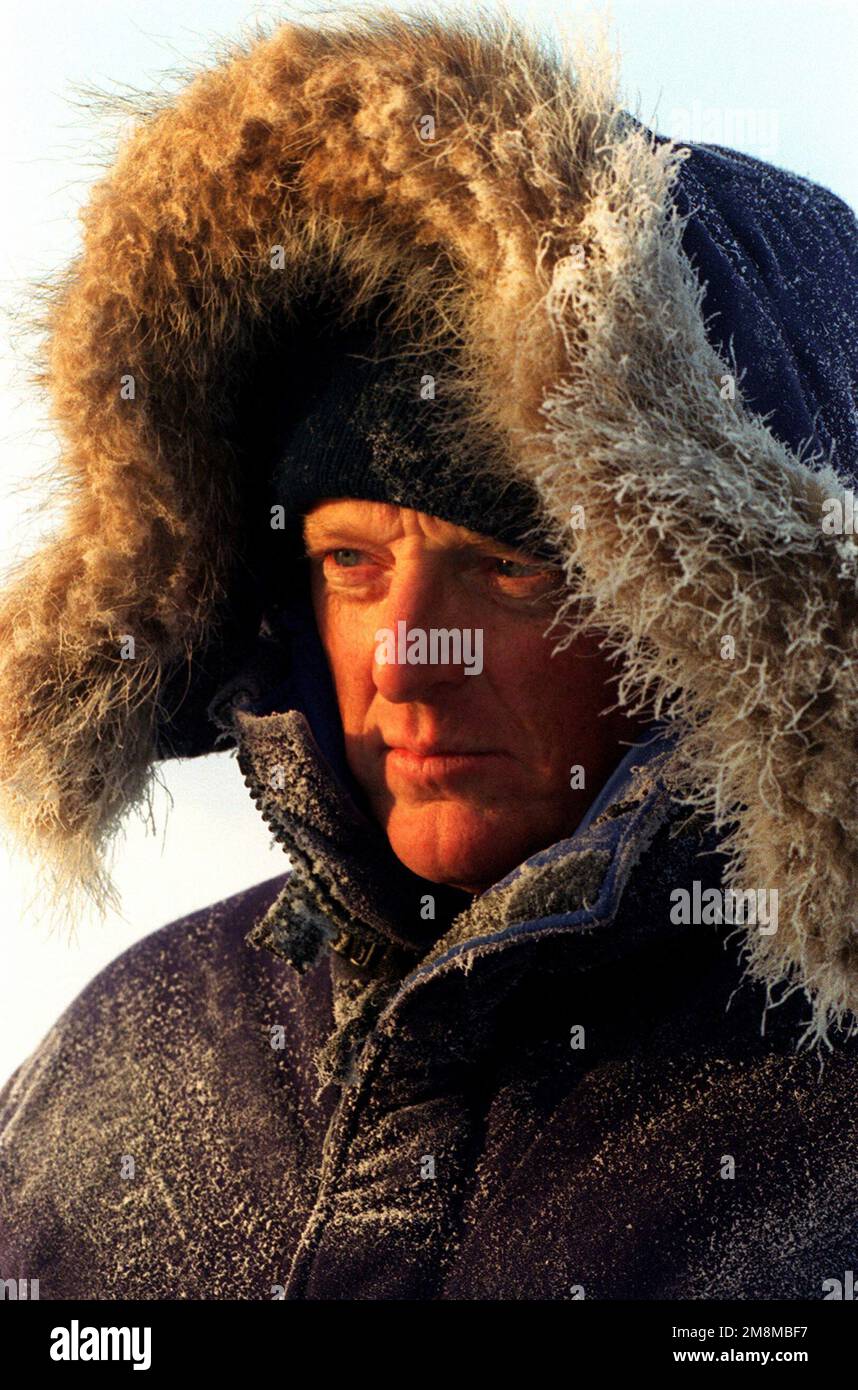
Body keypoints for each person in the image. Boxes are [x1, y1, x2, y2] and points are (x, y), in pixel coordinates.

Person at [1, 9, 858, 1301]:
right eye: (349, 562)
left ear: (725, 606)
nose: (401, 659)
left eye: (505, 564)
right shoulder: (133, 1051)